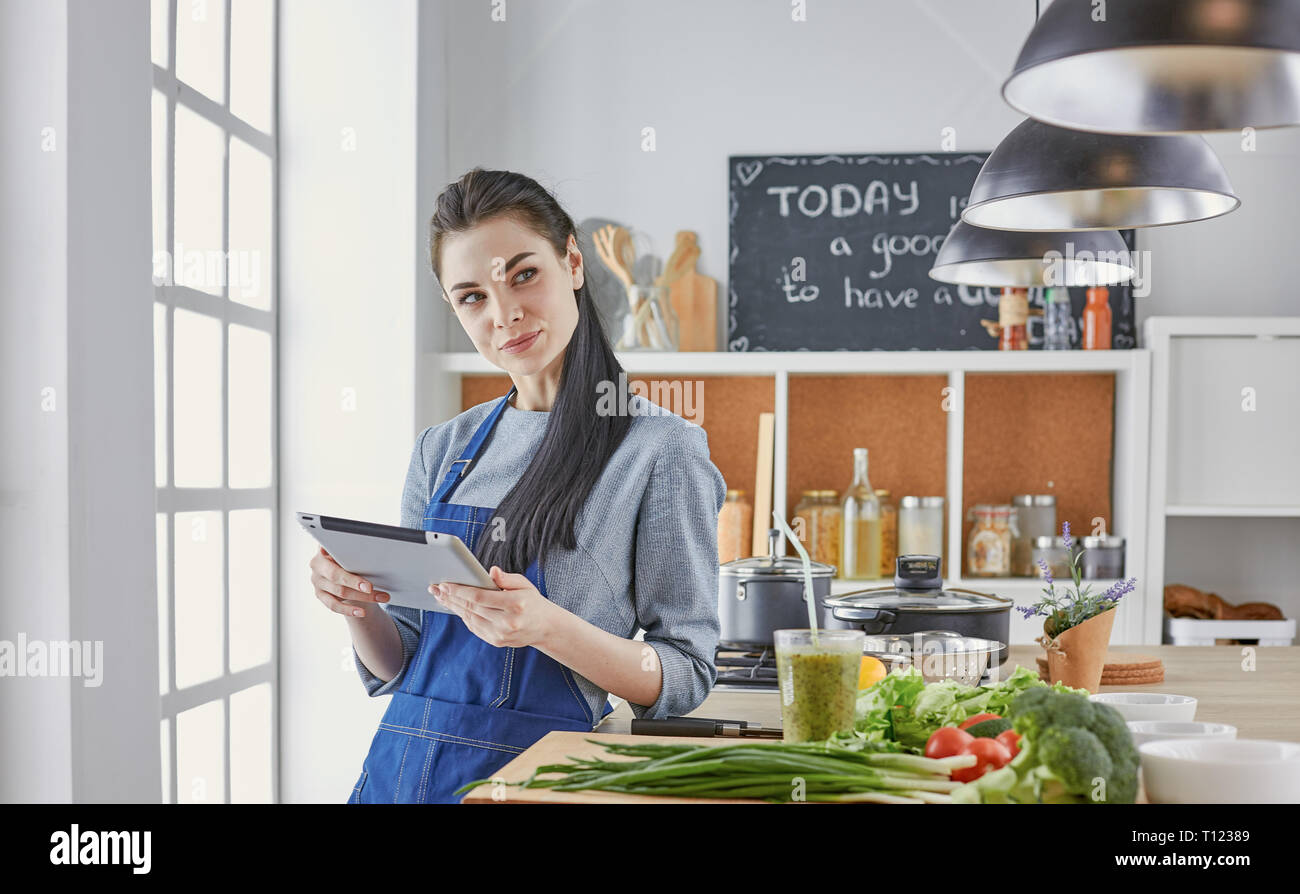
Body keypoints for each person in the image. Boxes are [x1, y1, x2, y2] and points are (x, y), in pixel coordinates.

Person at [309, 168, 726, 803]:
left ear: (575, 264)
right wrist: (357, 603)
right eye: (472, 296)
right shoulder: (442, 449)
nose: (505, 314)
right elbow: (405, 663)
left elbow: (684, 673)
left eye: (523, 274)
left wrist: (547, 627)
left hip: (545, 783)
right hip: (402, 775)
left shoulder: (660, 449)